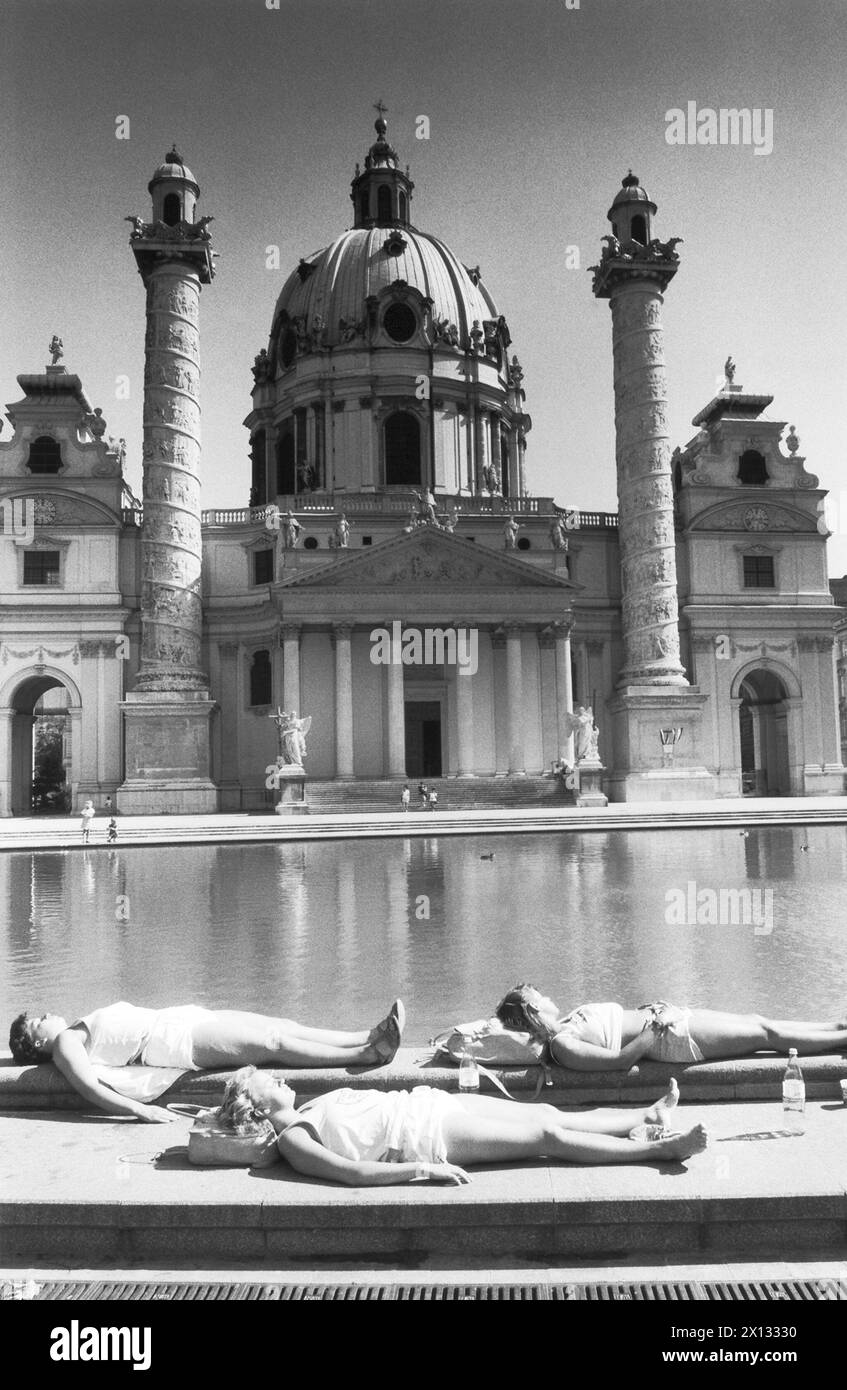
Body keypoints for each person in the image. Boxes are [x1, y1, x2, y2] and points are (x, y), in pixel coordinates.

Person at [217, 1067, 708, 1186]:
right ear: (258, 1108)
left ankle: (646, 1117)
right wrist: (422, 1173)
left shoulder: (308, 1109)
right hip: (429, 1139)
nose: (280, 1077)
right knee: (547, 1140)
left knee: (548, 1115)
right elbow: (354, 1175)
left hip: (430, 1103)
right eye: (268, 1081)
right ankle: (658, 1152)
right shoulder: (296, 1140)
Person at [8, 999, 406, 1123]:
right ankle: (368, 1055)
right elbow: (88, 1088)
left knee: (279, 1024)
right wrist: (140, 1112)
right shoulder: (65, 1044)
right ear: (36, 1043)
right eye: (37, 1022)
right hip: (175, 1040)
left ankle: (367, 1036)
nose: (47, 1017)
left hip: (179, 1022)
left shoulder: (72, 1032)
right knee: (272, 1040)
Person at [495, 984, 847, 1072]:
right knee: (764, 1036)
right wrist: (656, 1026)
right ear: (534, 1009)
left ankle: (836, 1026)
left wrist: (649, 1011)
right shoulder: (563, 1045)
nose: (546, 992)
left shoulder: (569, 1022)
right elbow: (620, 1061)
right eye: (537, 994)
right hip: (674, 1039)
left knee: (757, 1021)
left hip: (669, 1021)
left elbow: (618, 1025)